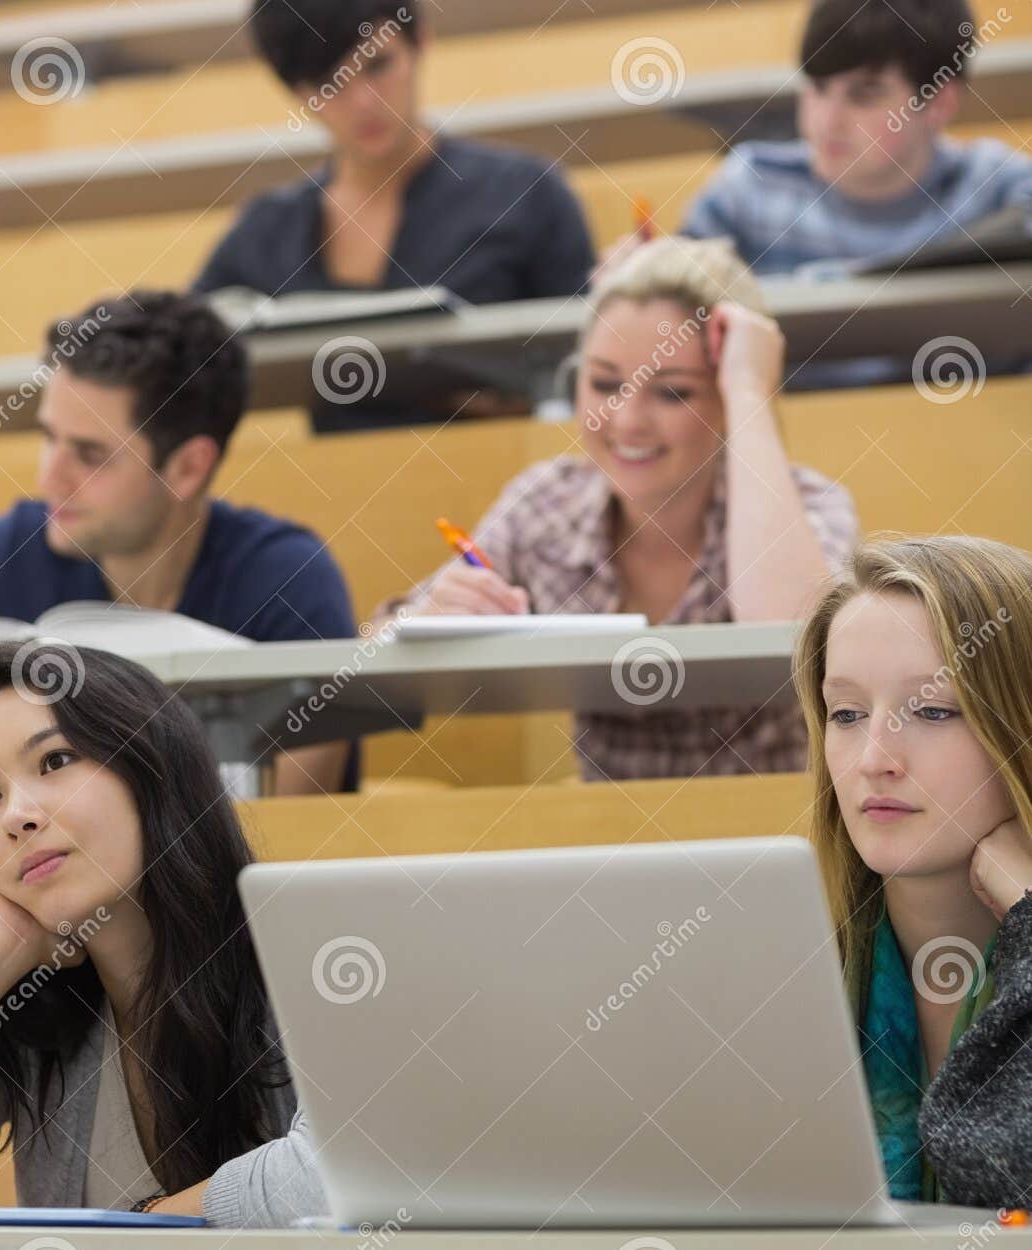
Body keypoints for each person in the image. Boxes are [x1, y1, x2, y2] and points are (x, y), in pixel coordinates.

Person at [0, 641, 554, 1250]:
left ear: (154, 771)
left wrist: (140, 1242)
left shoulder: (327, 960)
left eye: (56, 760)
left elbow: (352, 1169)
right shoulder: (40, 1029)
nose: (17, 815)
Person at [614, 535, 1032, 1250]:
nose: (874, 757)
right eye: (845, 714)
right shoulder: (777, 995)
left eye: (932, 711)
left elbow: (1004, 1168)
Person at [374, 237, 858, 782]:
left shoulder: (810, 504)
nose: (627, 421)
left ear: (726, 397)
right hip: (607, 826)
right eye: (605, 384)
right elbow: (376, 644)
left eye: (672, 393)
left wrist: (750, 389)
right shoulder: (547, 504)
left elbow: (790, 641)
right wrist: (425, 618)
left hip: (775, 821)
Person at [0, 291, 357, 795]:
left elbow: (289, 825)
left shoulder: (290, 585)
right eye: (49, 438)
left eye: (89, 455)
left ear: (188, 468)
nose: (49, 478)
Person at [195, 0, 596, 430]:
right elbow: (180, 361)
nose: (363, 101)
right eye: (329, 82)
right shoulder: (265, 231)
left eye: (378, 65)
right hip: (338, 471)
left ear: (420, 40)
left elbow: (595, 364)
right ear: (296, 91)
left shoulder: (526, 194)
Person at [682, 0, 1032, 276]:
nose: (828, 121)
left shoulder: (998, 187)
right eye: (817, 88)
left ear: (940, 102)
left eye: (863, 96)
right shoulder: (747, 191)